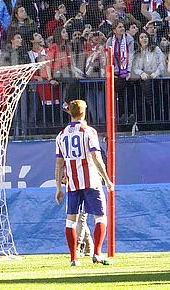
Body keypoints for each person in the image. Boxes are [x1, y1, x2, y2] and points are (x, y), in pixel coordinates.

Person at [54, 99, 115, 266]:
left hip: (72, 183)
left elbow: (59, 163)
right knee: (100, 217)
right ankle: (97, 254)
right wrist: (107, 179)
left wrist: (58, 187)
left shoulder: (61, 135)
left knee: (70, 220)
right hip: (91, 181)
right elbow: (96, 157)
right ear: (84, 112)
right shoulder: (89, 132)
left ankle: (74, 258)